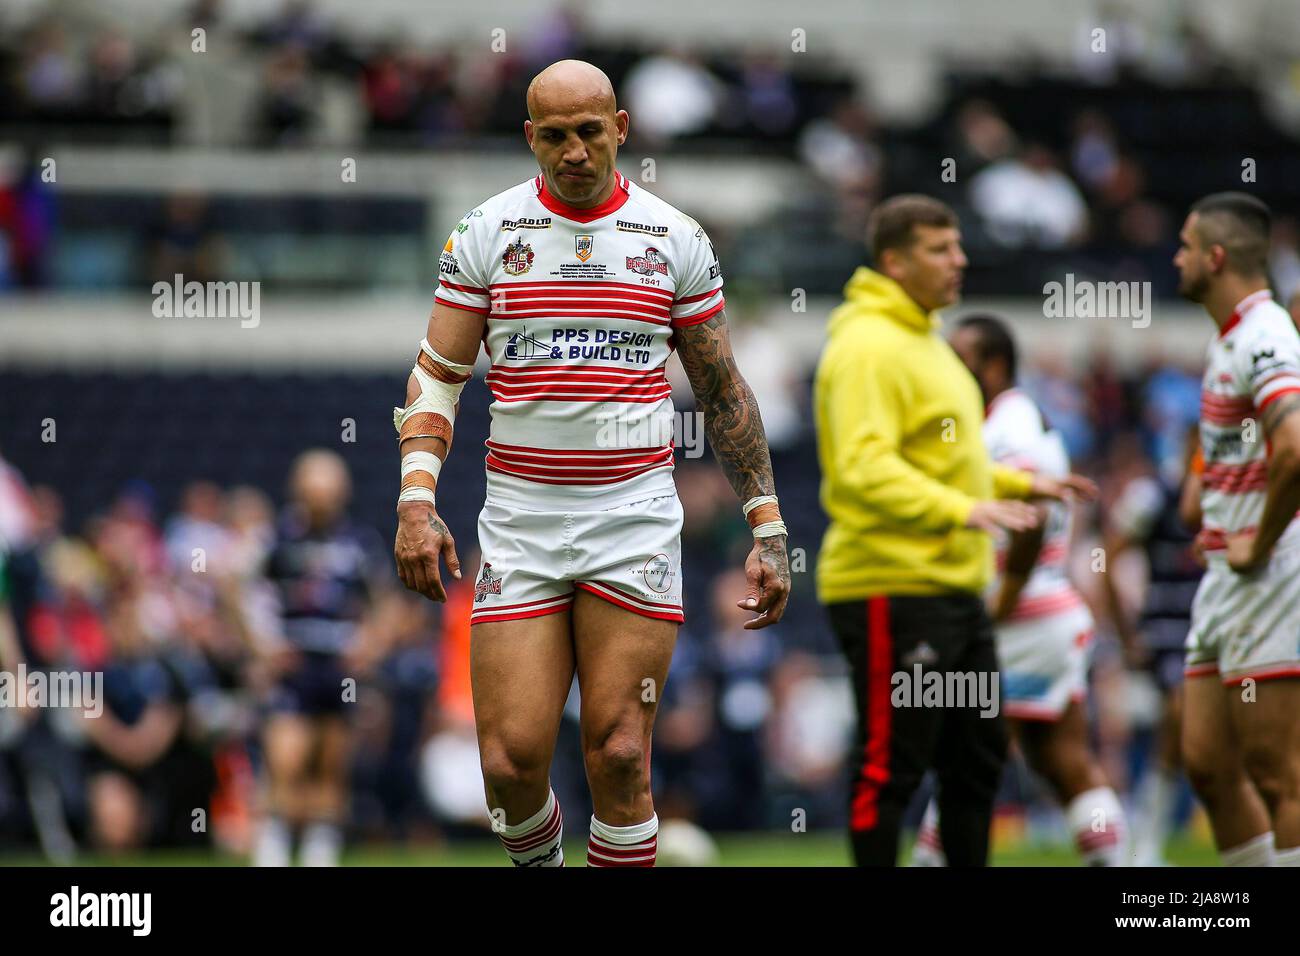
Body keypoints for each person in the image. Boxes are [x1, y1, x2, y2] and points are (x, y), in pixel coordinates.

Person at [391, 59, 790, 867]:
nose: (574, 152)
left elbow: (723, 392)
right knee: (507, 766)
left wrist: (769, 525)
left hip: (632, 519)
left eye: (590, 132)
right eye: (556, 135)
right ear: (529, 137)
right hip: (520, 520)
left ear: (622, 131)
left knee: (616, 754)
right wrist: (414, 500)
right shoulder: (485, 233)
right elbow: (437, 374)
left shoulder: (673, 237)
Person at [814, 195, 1095, 867]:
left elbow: (949, 462)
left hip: (956, 590)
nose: (959, 260)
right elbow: (861, 468)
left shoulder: (928, 341)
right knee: (891, 767)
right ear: (893, 261)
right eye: (940, 249)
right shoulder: (866, 345)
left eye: (958, 246)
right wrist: (961, 511)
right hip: (891, 584)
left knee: (975, 764)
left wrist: (1022, 486)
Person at [912, 314, 1127, 866]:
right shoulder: (1014, 419)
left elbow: (1030, 514)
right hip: (1050, 610)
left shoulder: (1007, 427)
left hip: (1017, 617)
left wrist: (999, 605)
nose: (950, 369)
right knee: (1065, 762)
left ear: (995, 365)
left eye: (962, 358)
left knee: (962, 759)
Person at [1173, 192, 1300, 867]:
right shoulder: (1230, 339)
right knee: (1208, 766)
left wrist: (1258, 535)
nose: (1177, 258)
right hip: (1227, 577)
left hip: (1271, 575)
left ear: (1216, 258)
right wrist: (1223, 524)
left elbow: (1297, 449)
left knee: (1279, 773)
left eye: (1187, 246)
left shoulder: (1265, 334)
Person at [253, 450, 388, 866]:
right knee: (285, 759)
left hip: (337, 667)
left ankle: (320, 848)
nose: (321, 500)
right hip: (293, 665)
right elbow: (236, 589)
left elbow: (387, 601)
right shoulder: (278, 539)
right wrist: (262, 645)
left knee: (332, 763)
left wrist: (370, 645)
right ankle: (274, 844)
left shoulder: (358, 544)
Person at [1100, 422, 1203, 866]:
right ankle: (1146, 837)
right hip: (1167, 631)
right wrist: (1125, 633)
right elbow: (1106, 556)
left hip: (1213, 628)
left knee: (1190, 739)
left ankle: (1147, 829)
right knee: (1179, 717)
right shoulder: (1153, 497)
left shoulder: (1231, 499)